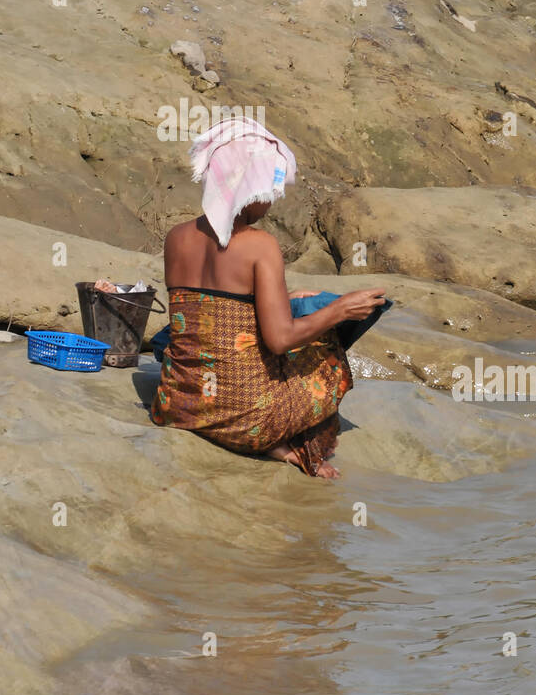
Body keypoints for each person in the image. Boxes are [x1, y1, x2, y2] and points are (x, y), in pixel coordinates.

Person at [150, 117, 386, 478]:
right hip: (247, 420)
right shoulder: (261, 246)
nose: (274, 200)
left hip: (179, 405)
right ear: (251, 189)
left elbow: (211, 307)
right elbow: (280, 340)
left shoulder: (176, 237)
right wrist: (341, 309)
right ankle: (278, 442)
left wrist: (283, 296)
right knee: (324, 350)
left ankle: (255, 434)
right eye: (270, 190)